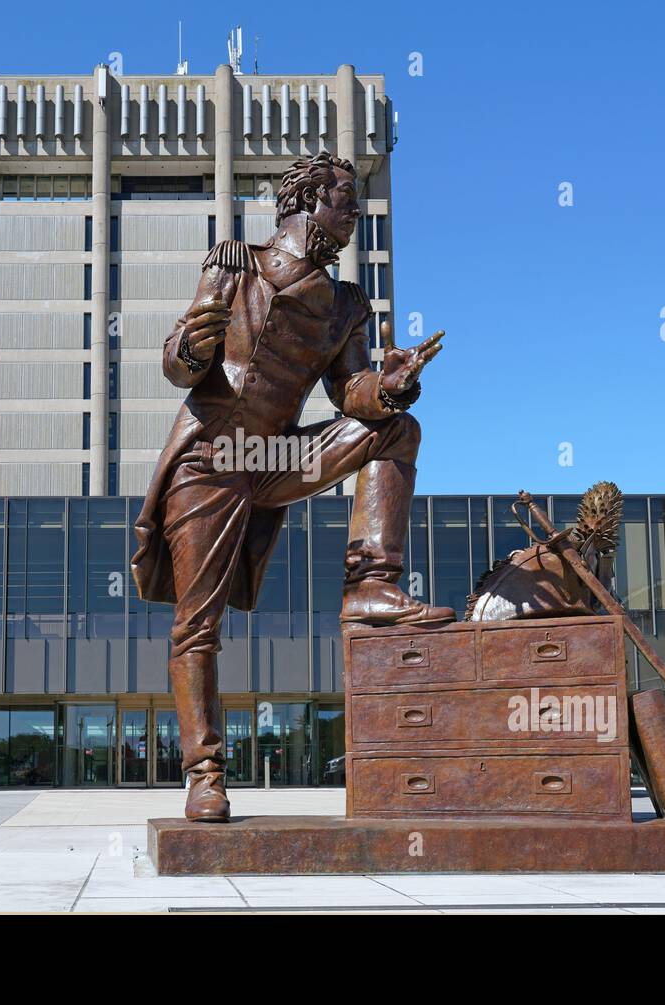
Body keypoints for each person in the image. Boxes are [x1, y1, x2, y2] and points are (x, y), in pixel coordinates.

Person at [131, 152, 452, 822]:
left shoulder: (346, 306)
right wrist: (190, 344)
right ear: (306, 201)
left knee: (397, 428)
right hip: (214, 453)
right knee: (198, 624)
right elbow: (178, 364)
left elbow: (353, 396)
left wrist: (389, 387)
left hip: (277, 454)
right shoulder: (233, 261)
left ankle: (371, 584)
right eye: (344, 199)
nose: (355, 213)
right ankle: (205, 772)